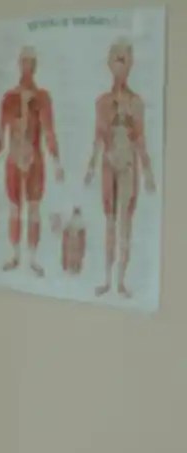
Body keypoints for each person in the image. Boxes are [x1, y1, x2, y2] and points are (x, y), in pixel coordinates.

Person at [84, 39, 156, 299]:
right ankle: (106, 279)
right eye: (115, 59)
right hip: (108, 164)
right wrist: (91, 166)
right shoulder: (102, 102)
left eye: (123, 60)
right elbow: (98, 137)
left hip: (127, 166)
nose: (119, 64)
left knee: (125, 223)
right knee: (110, 222)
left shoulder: (136, 103)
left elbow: (139, 139)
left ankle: (121, 281)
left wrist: (147, 172)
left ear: (130, 65)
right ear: (108, 63)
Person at [0, 46, 64, 277]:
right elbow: (1, 132)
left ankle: (31, 258)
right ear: (19, 64)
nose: (27, 67)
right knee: (14, 208)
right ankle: (15, 255)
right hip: (13, 157)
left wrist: (56, 162)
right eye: (24, 62)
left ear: (35, 66)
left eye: (31, 62)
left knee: (33, 208)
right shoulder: (9, 98)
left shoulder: (42, 98)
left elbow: (49, 132)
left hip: (34, 158)